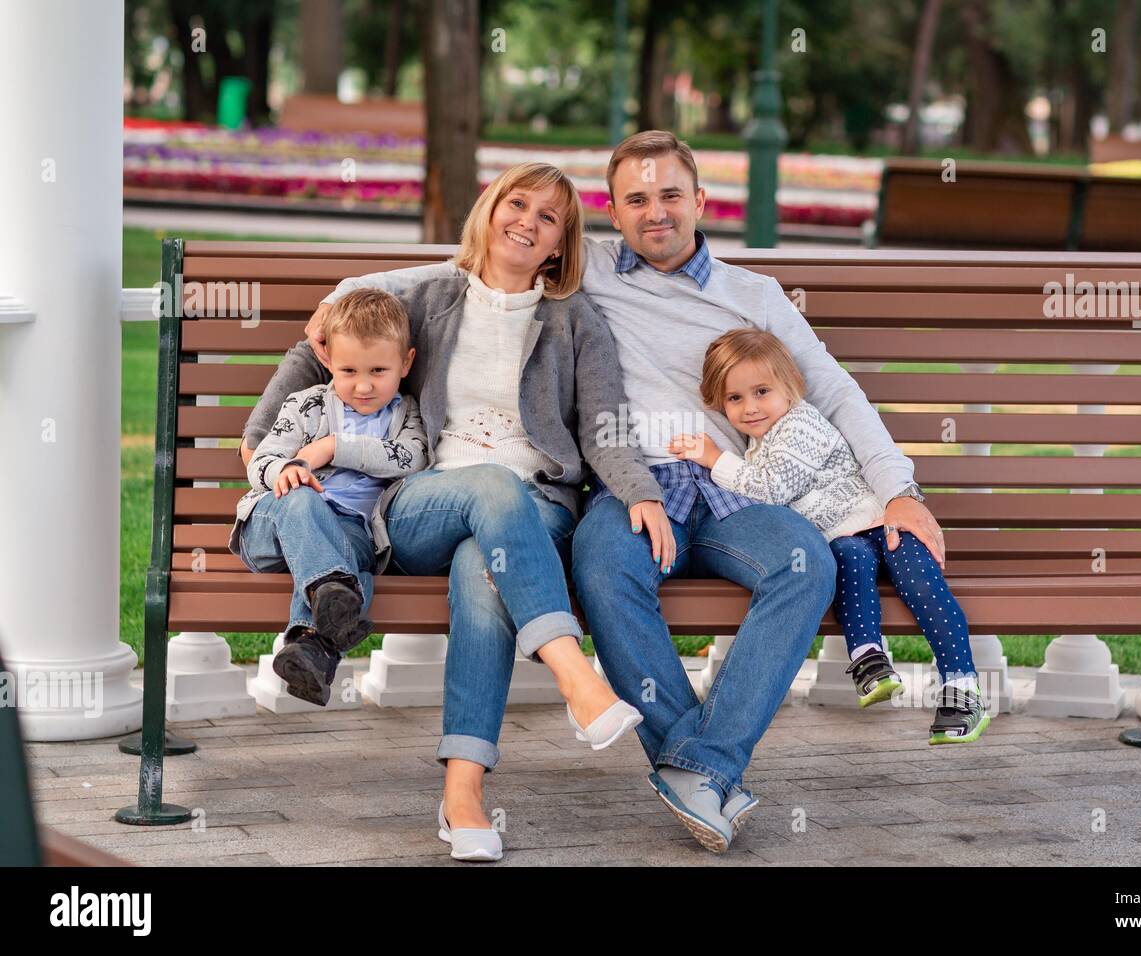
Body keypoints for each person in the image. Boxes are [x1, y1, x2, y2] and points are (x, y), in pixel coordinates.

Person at [289, 131, 945, 855]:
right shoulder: (581, 268)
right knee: (602, 565)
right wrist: (345, 293)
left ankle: (701, 764)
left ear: (699, 201)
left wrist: (900, 490)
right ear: (613, 210)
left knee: (805, 565)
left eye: (670, 194)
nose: (654, 211)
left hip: (733, 489)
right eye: (636, 198)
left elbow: (835, 392)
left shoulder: (752, 297)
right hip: (632, 490)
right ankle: (688, 765)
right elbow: (453, 274)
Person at [240, 162, 668, 862]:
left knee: (484, 561)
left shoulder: (573, 319)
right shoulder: (432, 296)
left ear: (561, 242)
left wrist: (639, 489)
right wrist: (262, 439)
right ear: (490, 209)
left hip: (534, 511)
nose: (527, 221)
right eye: (516, 202)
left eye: (548, 216)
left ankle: (463, 795)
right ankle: (575, 677)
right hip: (423, 500)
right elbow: (332, 340)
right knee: (489, 488)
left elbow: (604, 426)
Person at [668, 327, 989, 746]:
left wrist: (714, 459)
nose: (750, 407)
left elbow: (771, 489)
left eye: (761, 391)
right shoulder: (759, 443)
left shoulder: (800, 424)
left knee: (923, 587)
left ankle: (962, 687)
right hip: (844, 537)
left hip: (883, 524)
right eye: (735, 398)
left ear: (791, 387)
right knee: (848, 564)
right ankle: (870, 663)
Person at [233, 288, 428, 707]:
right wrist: (283, 471)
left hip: (348, 534)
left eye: (378, 370)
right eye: (348, 370)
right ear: (327, 363)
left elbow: (412, 457)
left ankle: (311, 647)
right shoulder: (306, 407)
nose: (362, 385)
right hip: (276, 524)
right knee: (305, 500)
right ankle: (334, 592)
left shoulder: (405, 415)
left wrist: (336, 446)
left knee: (351, 557)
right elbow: (261, 457)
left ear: (406, 362)